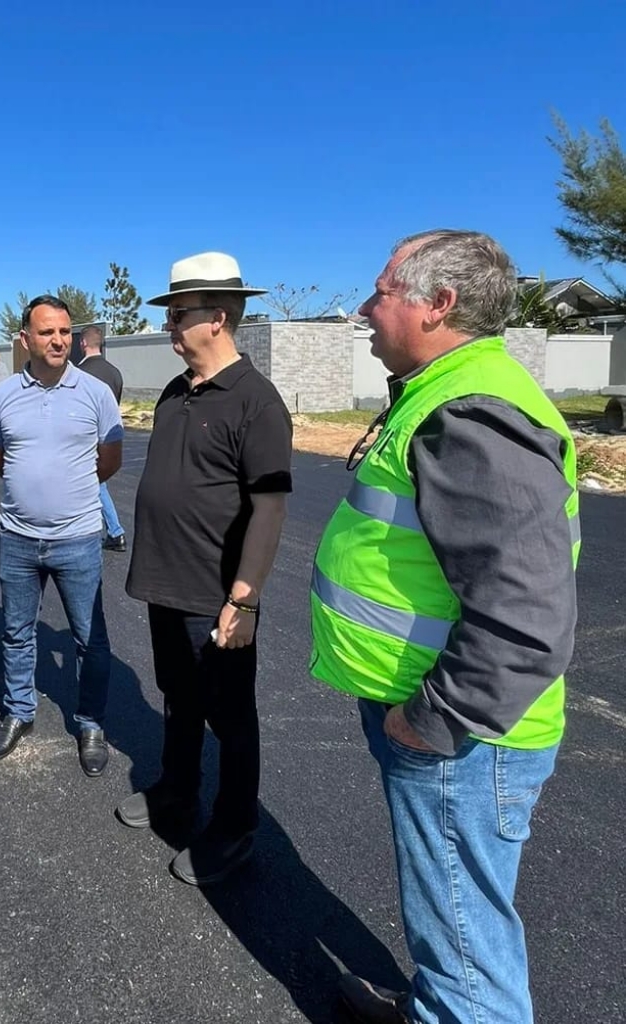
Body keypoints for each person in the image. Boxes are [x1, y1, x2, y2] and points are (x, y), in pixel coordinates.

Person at [310, 231, 579, 1024]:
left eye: (382, 290)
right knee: (451, 925)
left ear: (439, 304)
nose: (364, 309)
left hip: (458, 739)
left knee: (468, 949)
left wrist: (432, 720)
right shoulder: (446, 390)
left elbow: (526, 616)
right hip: (444, 726)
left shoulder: (471, 412)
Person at [119, 252, 293, 886]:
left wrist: (243, 599)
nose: (169, 324)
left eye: (179, 314)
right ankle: (178, 789)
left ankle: (235, 826)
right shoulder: (175, 393)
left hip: (216, 595)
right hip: (165, 583)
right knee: (178, 696)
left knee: (231, 715)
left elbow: (269, 509)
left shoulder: (257, 402)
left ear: (217, 318)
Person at [0, 295, 124, 776]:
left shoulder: (96, 393)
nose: (59, 340)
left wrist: (67, 490)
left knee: (90, 639)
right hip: (17, 539)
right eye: (47, 332)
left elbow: (110, 460)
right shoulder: (2, 396)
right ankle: (18, 712)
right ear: (26, 339)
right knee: (16, 633)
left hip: (78, 538)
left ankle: (91, 724)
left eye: (64, 331)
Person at [77, 324, 127, 552]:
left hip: (85, 437)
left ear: (83, 343)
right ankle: (113, 531)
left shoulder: (78, 373)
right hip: (109, 436)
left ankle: (114, 531)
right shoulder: (115, 373)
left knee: (94, 483)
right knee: (98, 482)